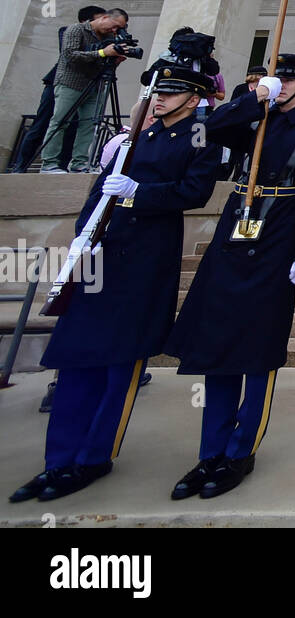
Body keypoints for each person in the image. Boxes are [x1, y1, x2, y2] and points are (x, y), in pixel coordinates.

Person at [9, 67, 224, 503]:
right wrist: (84, 232)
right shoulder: (137, 137)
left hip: (143, 261)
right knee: (75, 362)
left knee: (118, 364)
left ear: (195, 97)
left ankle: (92, 458)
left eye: (170, 91)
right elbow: (99, 193)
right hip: (102, 256)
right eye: (156, 91)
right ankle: (57, 461)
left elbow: (193, 192)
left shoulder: (200, 135)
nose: (159, 98)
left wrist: (136, 191)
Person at [165, 54, 295, 500]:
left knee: (258, 344)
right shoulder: (252, 119)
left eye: (287, 79)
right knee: (217, 339)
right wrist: (253, 99)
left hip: (280, 229)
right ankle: (210, 452)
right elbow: (209, 132)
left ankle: (240, 452)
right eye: (275, 77)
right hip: (234, 228)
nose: (280, 84)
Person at [10, 6, 105, 174]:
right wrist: (102, 51)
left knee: (75, 127)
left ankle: (64, 166)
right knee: (43, 123)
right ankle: (20, 166)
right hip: (59, 82)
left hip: (85, 85)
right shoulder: (69, 30)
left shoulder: (103, 36)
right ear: (87, 21)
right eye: (99, 19)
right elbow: (70, 54)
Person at [39, 8, 131, 174]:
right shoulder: (76, 29)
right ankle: (49, 164)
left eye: (119, 29)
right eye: (115, 26)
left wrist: (115, 60)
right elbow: (70, 55)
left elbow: (101, 63)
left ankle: (79, 164)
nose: (114, 31)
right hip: (70, 82)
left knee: (88, 125)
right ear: (104, 17)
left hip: (94, 85)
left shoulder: (109, 38)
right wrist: (103, 52)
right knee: (60, 122)